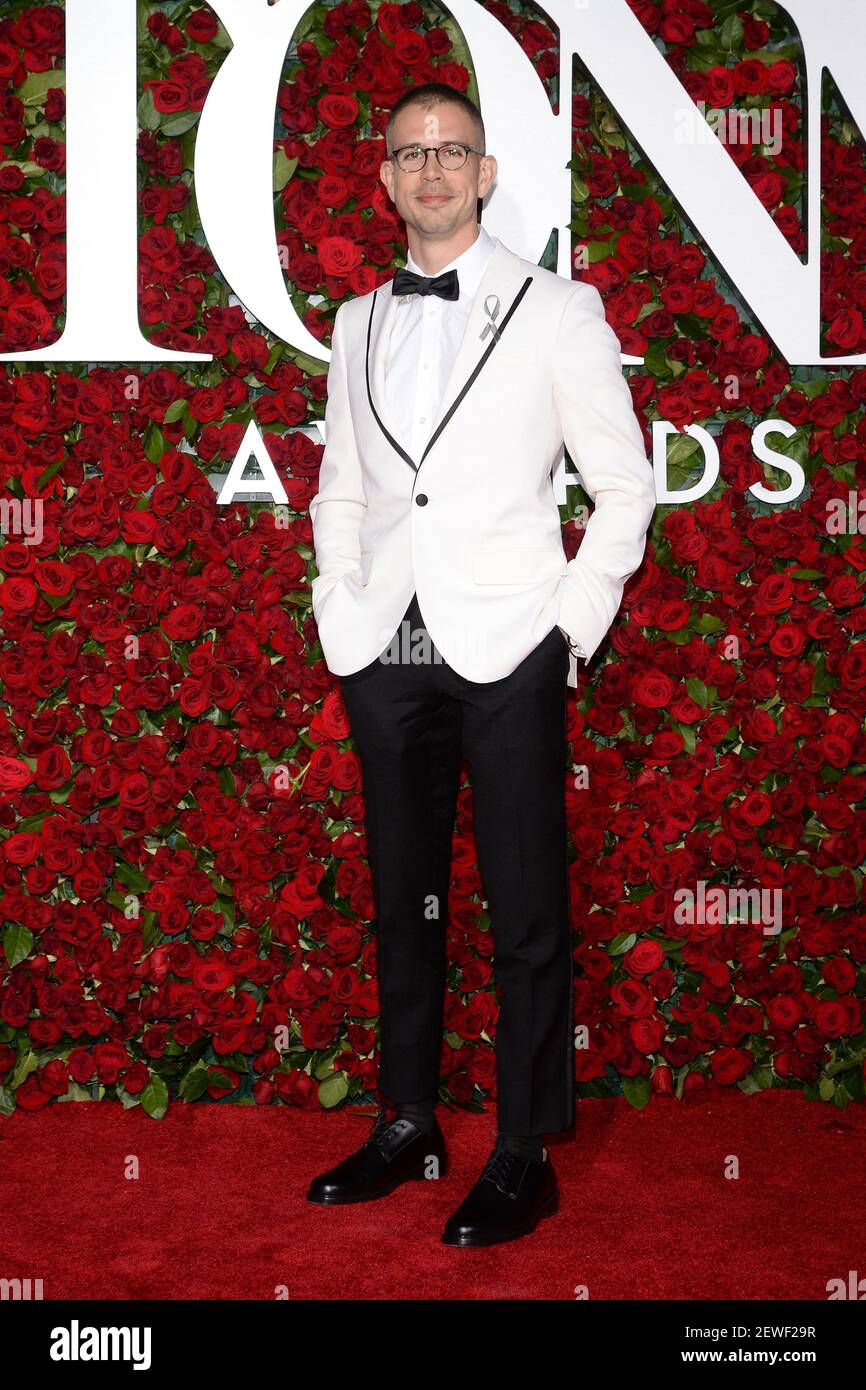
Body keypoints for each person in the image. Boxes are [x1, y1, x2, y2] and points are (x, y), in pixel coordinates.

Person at [305, 80, 656, 1247]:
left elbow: (623, 485)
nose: (433, 170)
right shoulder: (355, 321)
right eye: (410, 154)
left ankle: (521, 1151)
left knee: (524, 910)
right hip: (385, 648)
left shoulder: (558, 309)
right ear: (385, 177)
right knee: (403, 898)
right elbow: (345, 485)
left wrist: (569, 620)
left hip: (510, 640)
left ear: (486, 170)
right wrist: (337, 602)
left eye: (452, 150)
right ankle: (408, 1119)